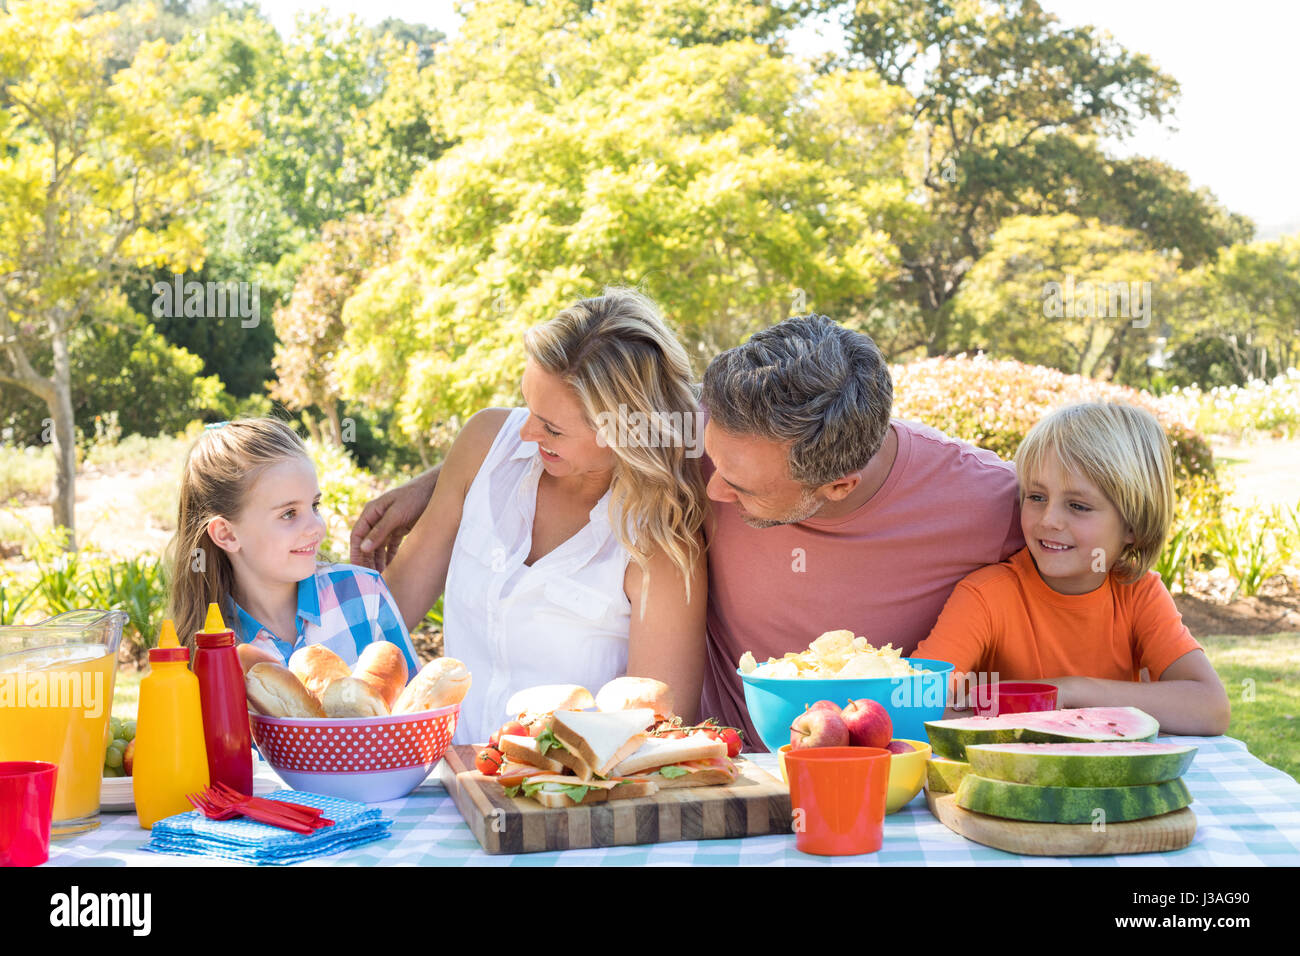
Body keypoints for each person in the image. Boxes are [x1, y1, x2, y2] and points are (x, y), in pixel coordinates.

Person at [356, 314, 1023, 749]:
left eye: (740, 487)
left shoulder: (984, 504)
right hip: (736, 772)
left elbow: (1088, 555)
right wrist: (441, 484)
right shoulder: (703, 437)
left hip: (876, 769)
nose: (707, 490)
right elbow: (580, 426)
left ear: (836, 485)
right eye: (705, 452)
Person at [378, 288, 708, 745]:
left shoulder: (659, 545)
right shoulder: (485, 444)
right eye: (528, 407)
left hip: (576, 799)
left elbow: (662, 732)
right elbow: (386, 619)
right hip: (444, 778)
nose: (526, 432)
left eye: (552, 428)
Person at [912, 403, 1230, 735]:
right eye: (1036, 497)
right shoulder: (986, 596)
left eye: (1078, 506)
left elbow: (1211, 708)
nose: (1048, 520)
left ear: (1133, 526)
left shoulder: (1139, 594)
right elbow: (915, 700)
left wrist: (1072, 691)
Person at [166, 419, 419, 676]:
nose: (316, 527)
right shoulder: (212, 650)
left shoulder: (364, 594)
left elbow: (419, 710)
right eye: (289, 513)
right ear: (227, 534)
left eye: (315, 506)